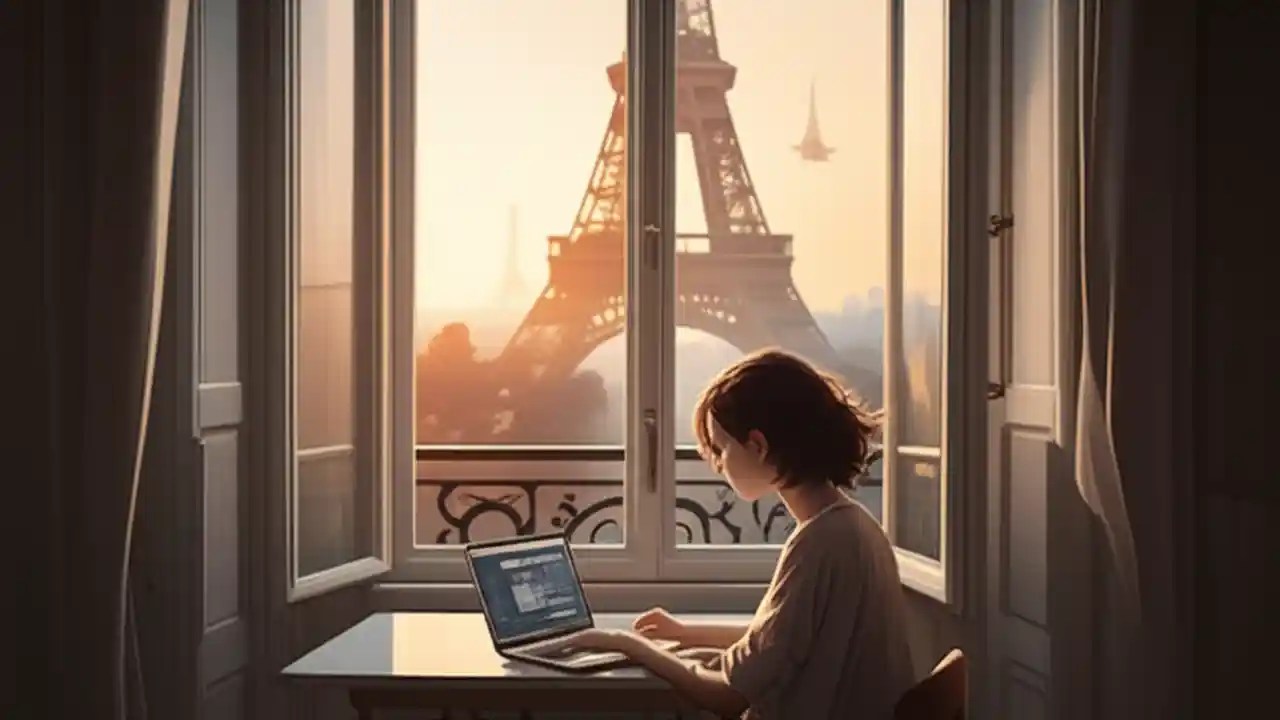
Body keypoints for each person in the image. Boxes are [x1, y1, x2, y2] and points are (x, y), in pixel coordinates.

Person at [571, 348, 916, 719]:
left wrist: (625, 644)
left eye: (721, 449)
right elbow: (777, 640)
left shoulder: (818, 544)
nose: (718, 465)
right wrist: (684, 633)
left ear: (758, 445)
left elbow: (728, 696)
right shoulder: (854, 526)